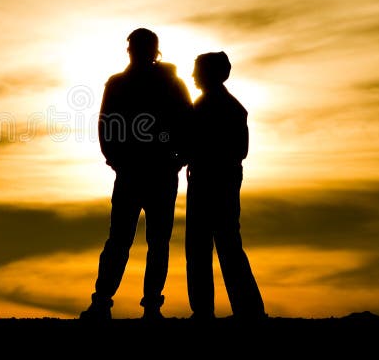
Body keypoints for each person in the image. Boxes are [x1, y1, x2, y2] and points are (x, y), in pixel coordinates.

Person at [80, 28, 191, 321]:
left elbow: (185, 126)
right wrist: (115, 158)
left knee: (147, 241)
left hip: (154, 173)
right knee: (124, 240)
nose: (135, 52)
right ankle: (107, 301)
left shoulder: (165, 85)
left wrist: (176, 158)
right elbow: (107, 126)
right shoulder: (121, 84)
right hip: (136, 172)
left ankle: (140, 304)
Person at [185, 51, 266, 321]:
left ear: (210, 73)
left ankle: (224, 310)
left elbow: (237, 150)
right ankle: (243, 310)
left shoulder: (214, 107)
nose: (194, 75)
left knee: (209, 246)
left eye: (198, 70)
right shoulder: (224, 106)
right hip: (218, 180)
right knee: (221, 244)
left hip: (213, 182)